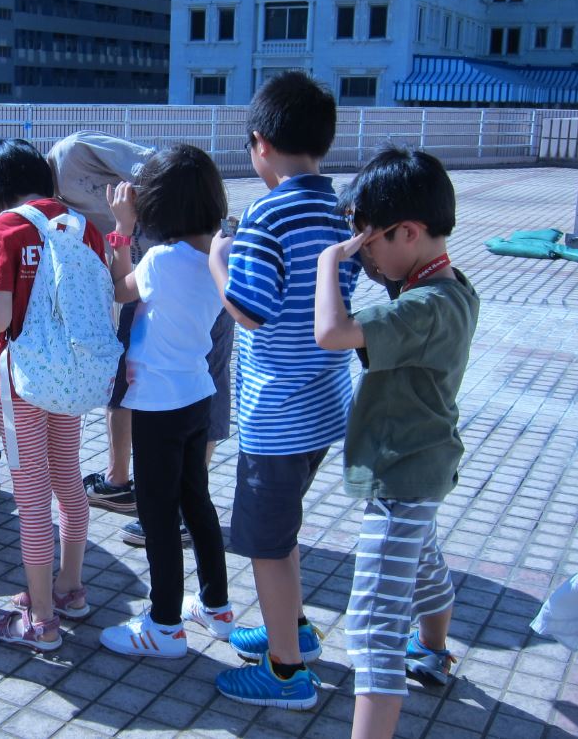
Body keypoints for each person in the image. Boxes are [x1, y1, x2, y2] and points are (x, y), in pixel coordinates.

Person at [314, 147, 479, 739]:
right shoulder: (449, 285)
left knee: (371, 627)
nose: (366, 255)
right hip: (426, 462)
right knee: (423, 565)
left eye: (369, 241)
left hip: (403, 475)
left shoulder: (425, 304)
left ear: (407, 232)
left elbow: (332, 332)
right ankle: (433, 649)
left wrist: (329, 263)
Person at [209, 71, 359, 709]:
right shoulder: (337, 206)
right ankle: (291, 628)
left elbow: (249, 309)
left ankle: (284, 671)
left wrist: (220, 256)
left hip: (275, 415)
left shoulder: (269, 213)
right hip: (325, 404)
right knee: (284, 530)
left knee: (266, 544)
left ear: (259, 142)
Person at [47, 132, 236, 544]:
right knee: (160, 379)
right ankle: (150, 496)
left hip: (156, 274)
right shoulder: (222, 257)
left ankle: (172, 517)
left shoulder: (71, 155)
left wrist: (123, 229)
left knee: (161, 499)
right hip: (174, 279)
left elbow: (156, 166)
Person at [97, 145, 235, 659]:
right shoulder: (218, 254)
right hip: (198, 394)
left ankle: (164, 625)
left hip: (157, 404)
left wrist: (123, 228)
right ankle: (217, 608)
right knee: (196, 503)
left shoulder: (160, 259)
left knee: (157, 515)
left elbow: (119, 287)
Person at [0, 138, 103, 651]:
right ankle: (70, 588)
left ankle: (41, 620)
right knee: (69, 481)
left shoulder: (2, 229)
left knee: (31, 495)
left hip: (23, 385)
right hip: (71, 380)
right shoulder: (80, 225)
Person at [47, 131, 153, 514]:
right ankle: (118, 481)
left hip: (174, 260)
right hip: (134, 277)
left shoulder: (71, 151)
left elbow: (152, 164)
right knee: (121, 381)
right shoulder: (52, 213)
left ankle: (172, 503)